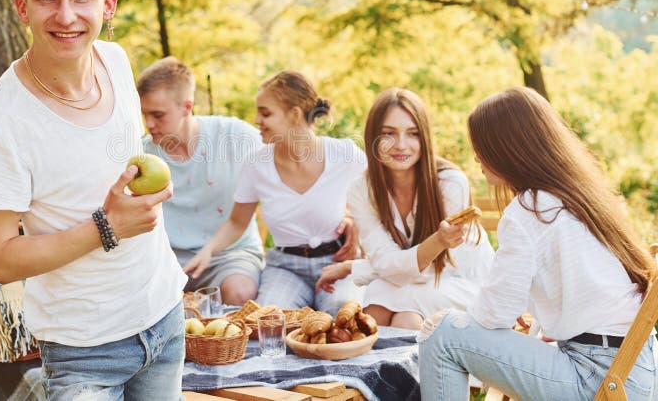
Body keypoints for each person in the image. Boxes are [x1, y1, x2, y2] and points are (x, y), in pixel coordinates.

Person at [0, 0, 187, 400]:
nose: (66, 16)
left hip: (164, 317)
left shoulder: (118, 63)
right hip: (84, 352)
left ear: (107, 4)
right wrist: (106, 227)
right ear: (23, 8)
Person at [418, 87, 657, 401]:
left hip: (598, 376)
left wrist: (464, 315)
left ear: (509, 147)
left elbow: (493, 315)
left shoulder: (531, 208)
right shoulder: (579, 196)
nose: (476, 156)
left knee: (441, 333)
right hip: (638, 370)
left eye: (482, 145)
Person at [184, 71, 365, 316]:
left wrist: (357, 224)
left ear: (294, 115)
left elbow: (380, 202)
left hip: (337, 263)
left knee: (343, 315)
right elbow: (237, 222)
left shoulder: (344, 154)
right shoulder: (256, 164)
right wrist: (208, 251)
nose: (257, 119)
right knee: (268, 322)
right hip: (286, 268)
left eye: (266, 113)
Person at [315, 88, 494, 329]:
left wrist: (354, 268)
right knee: (386, 308)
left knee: (393, 311)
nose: (401, 145)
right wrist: (371, 268)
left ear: (425, 138)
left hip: (464, 282)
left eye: (413, 134)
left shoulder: (450, 183)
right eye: (388, 133)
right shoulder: (362, 189)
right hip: (409, 284)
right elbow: (386, 261)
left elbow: (435, 267)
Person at [137, 57, 264, 306]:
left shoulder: (235, 137)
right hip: (168, 262)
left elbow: (288, 174)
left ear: (187, 106)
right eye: (145, 115)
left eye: (158, 115)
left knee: (240, 292)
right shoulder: (141, 156)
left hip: (230, 255)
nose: (149, 124)